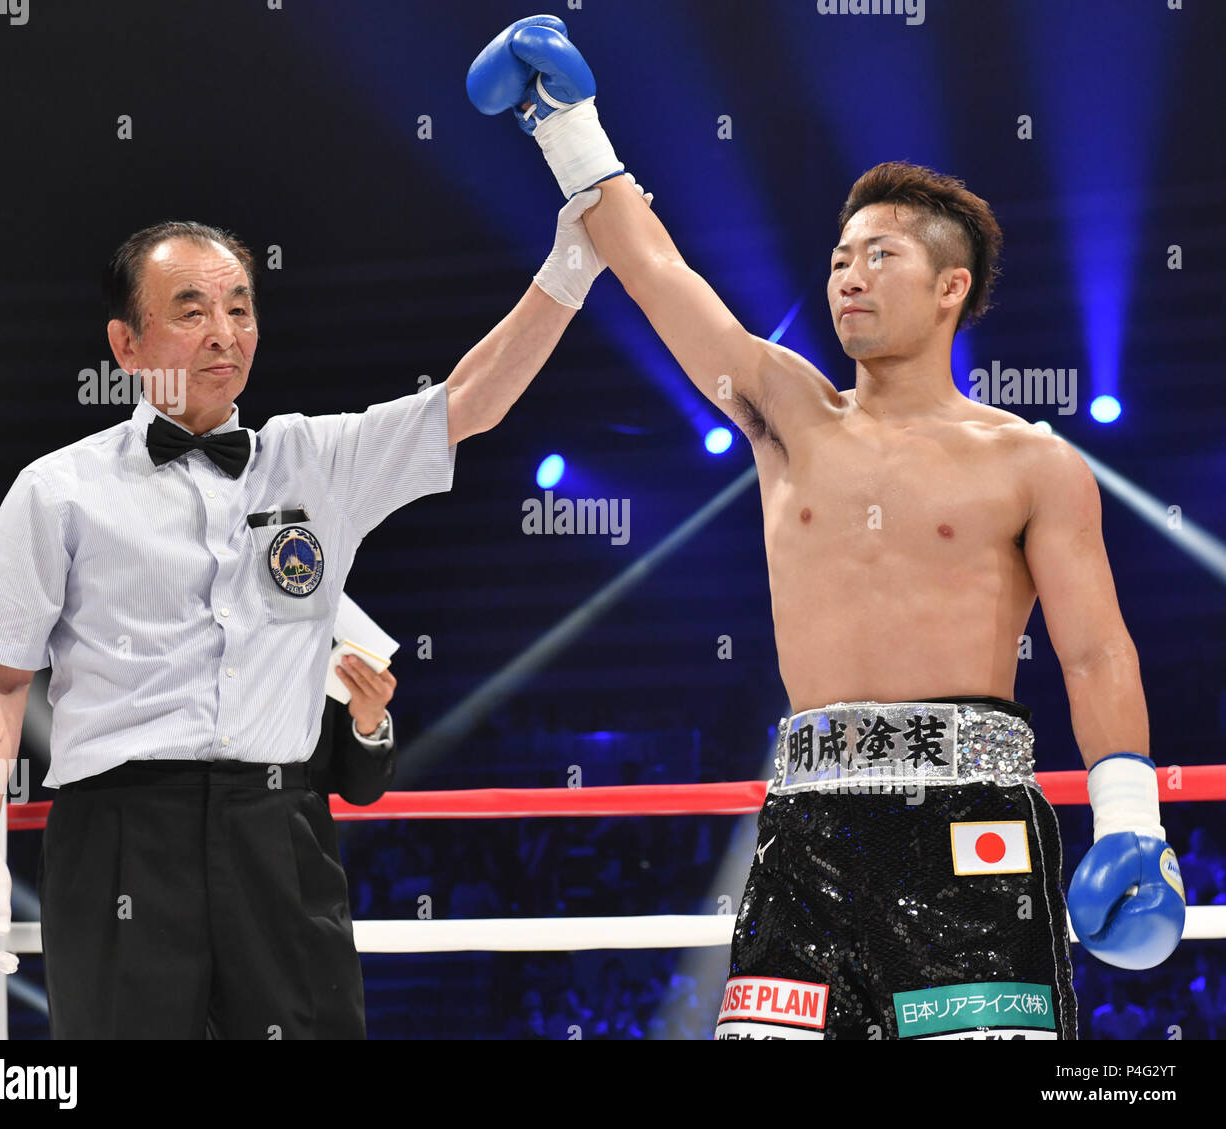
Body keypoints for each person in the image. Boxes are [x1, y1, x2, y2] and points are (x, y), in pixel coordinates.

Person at [468, 15, 1186, 1040]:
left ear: (951, 289)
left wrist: (1128, 821)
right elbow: (660, 274)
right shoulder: (786, 412)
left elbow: (1093, 648)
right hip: (806, 828)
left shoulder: (1033, 462)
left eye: (878, 255)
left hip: (968, 825)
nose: (847, 274)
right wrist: (565, 124)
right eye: (841, 256)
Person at [0, 198, 631, 1039]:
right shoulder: (55, 489)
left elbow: (473, 400)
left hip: (279, 828)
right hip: (120, 833)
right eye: (191, 311)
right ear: (126, 344)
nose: (223, 332)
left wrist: (572, 265)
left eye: (239, 309)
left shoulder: (316, 459)